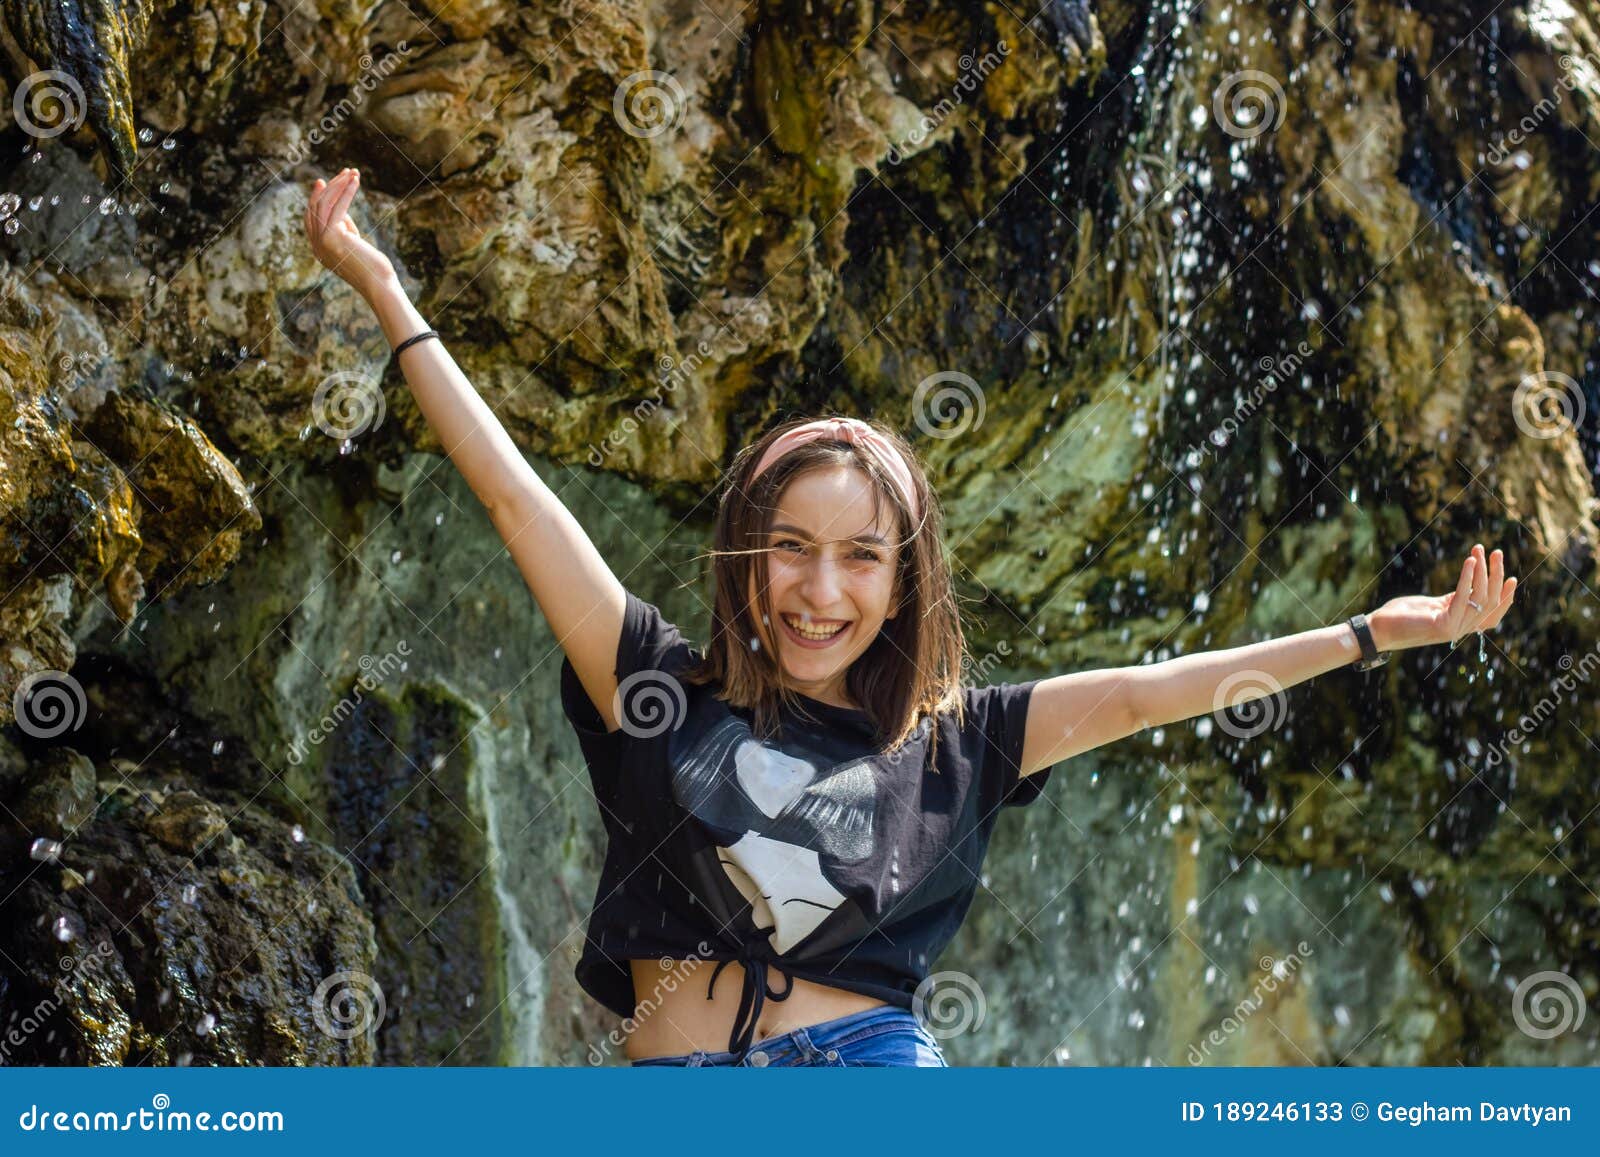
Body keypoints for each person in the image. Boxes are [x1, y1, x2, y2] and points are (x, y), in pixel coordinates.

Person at [304, 167, 1520, 1067]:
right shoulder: (652, 683)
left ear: (901, 582)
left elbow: (1161, 686)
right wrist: (388, 291)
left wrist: (1369, 633)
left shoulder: (964, 739)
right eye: (789, 549)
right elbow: (518, 503)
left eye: (857, 558)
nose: (818, 590)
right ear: (745, 561)